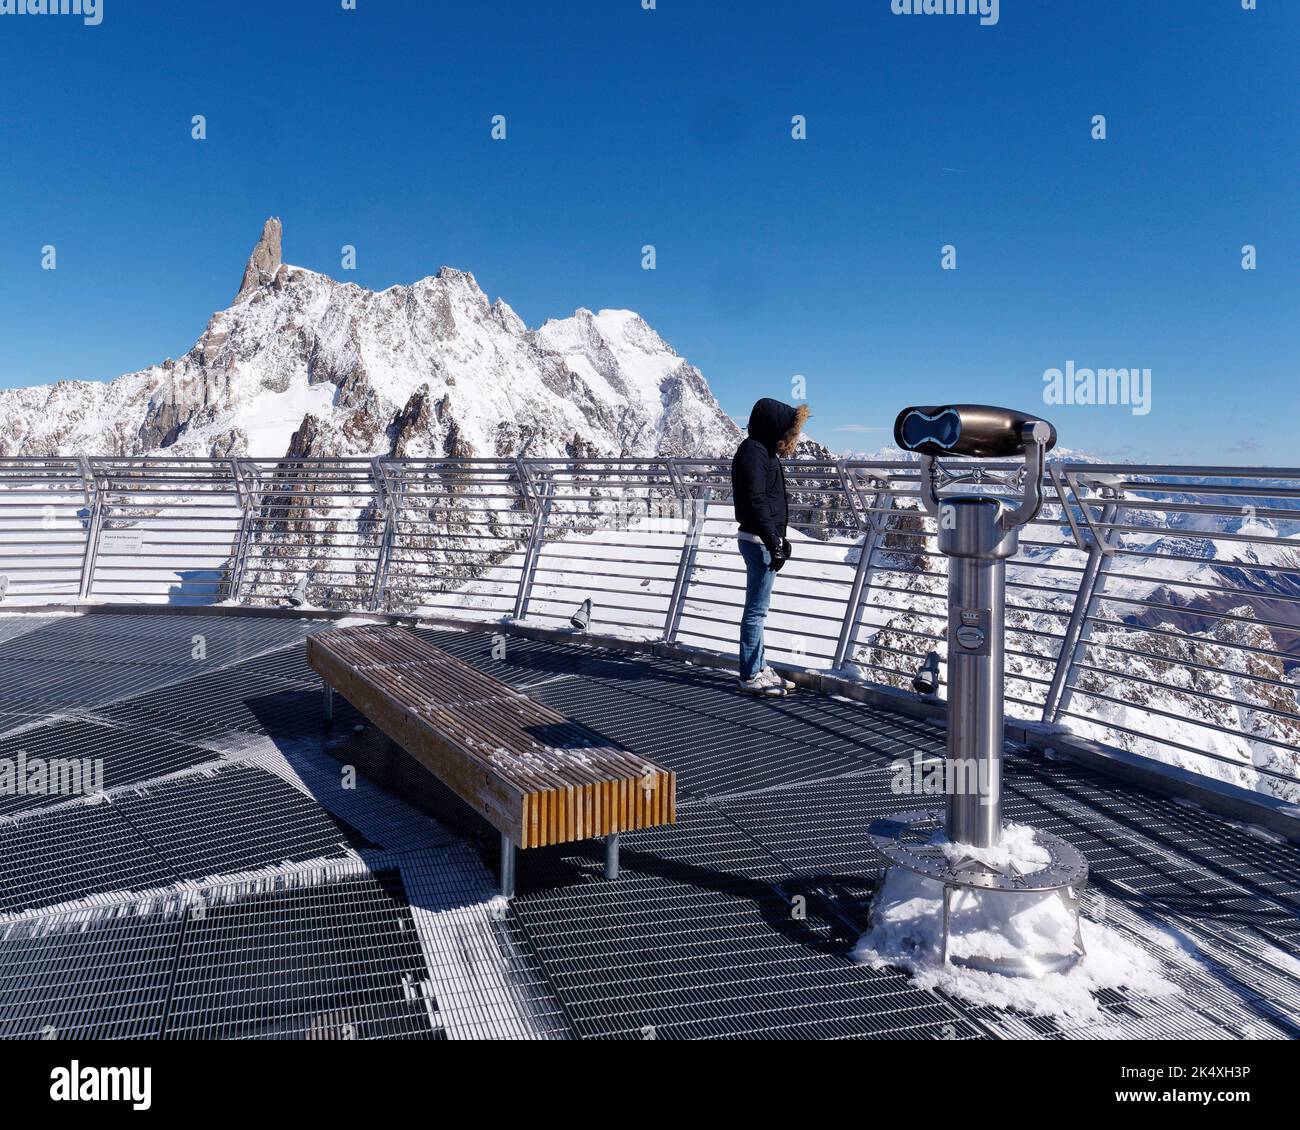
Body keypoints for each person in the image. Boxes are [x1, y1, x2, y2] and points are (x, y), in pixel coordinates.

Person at [730, 397, 810, 696]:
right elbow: (756, 500)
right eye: (789, 431)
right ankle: (750, 675)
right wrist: (771, 541)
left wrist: (779, 539)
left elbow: (765, 500)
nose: (791, 437)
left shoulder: (761, 451)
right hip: (757, 540)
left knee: (759, 610)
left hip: (761, 538)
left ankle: (759, 667)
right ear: (773, 427)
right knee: (756, 611)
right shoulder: (754, 452)